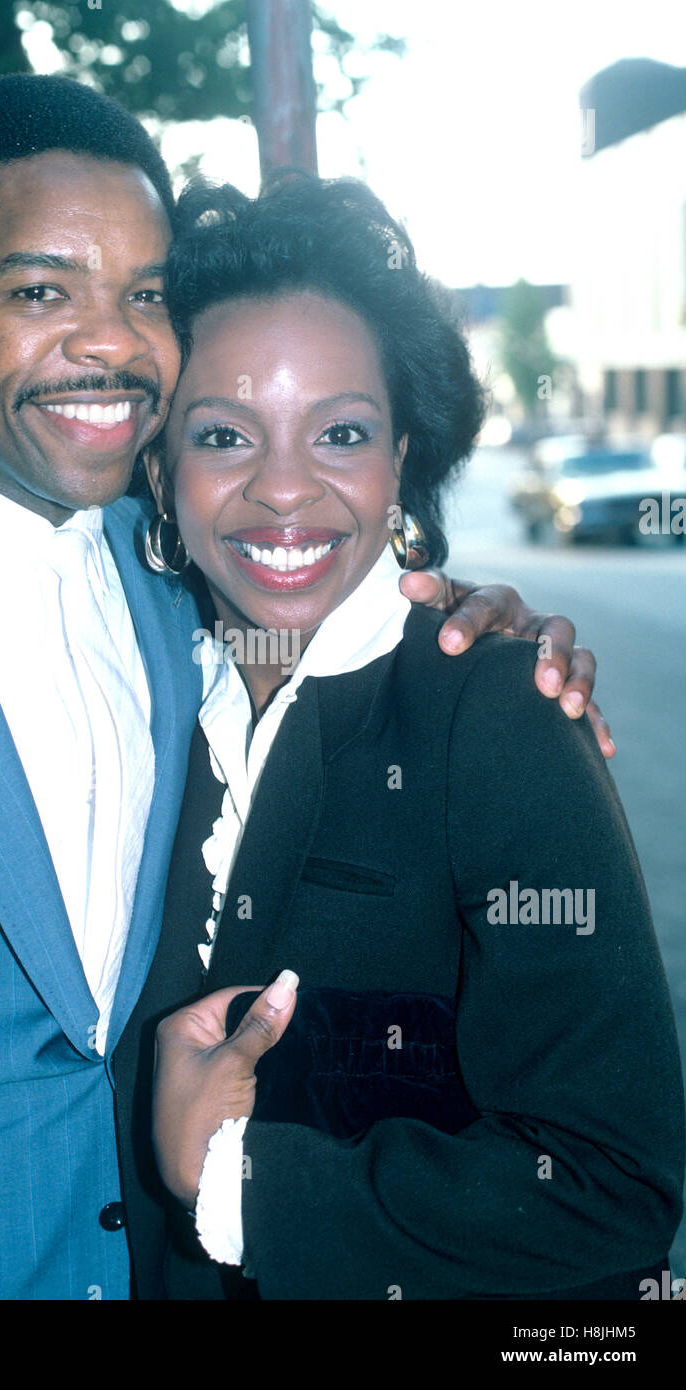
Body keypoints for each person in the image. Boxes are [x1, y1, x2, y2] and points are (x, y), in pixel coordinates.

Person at [0, 73, 612, 1301]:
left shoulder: (160, 588)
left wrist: (484, 631)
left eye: (142, 295)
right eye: (38, 291)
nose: (108, 341)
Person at [114, 175, 685, 1300]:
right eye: (224, 433)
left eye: (340, 432)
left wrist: (236, 1180)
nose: (284, 490)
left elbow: (612, 1183)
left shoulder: (499, 707)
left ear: (398, 460)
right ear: (158, 469)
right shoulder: (138, 699)